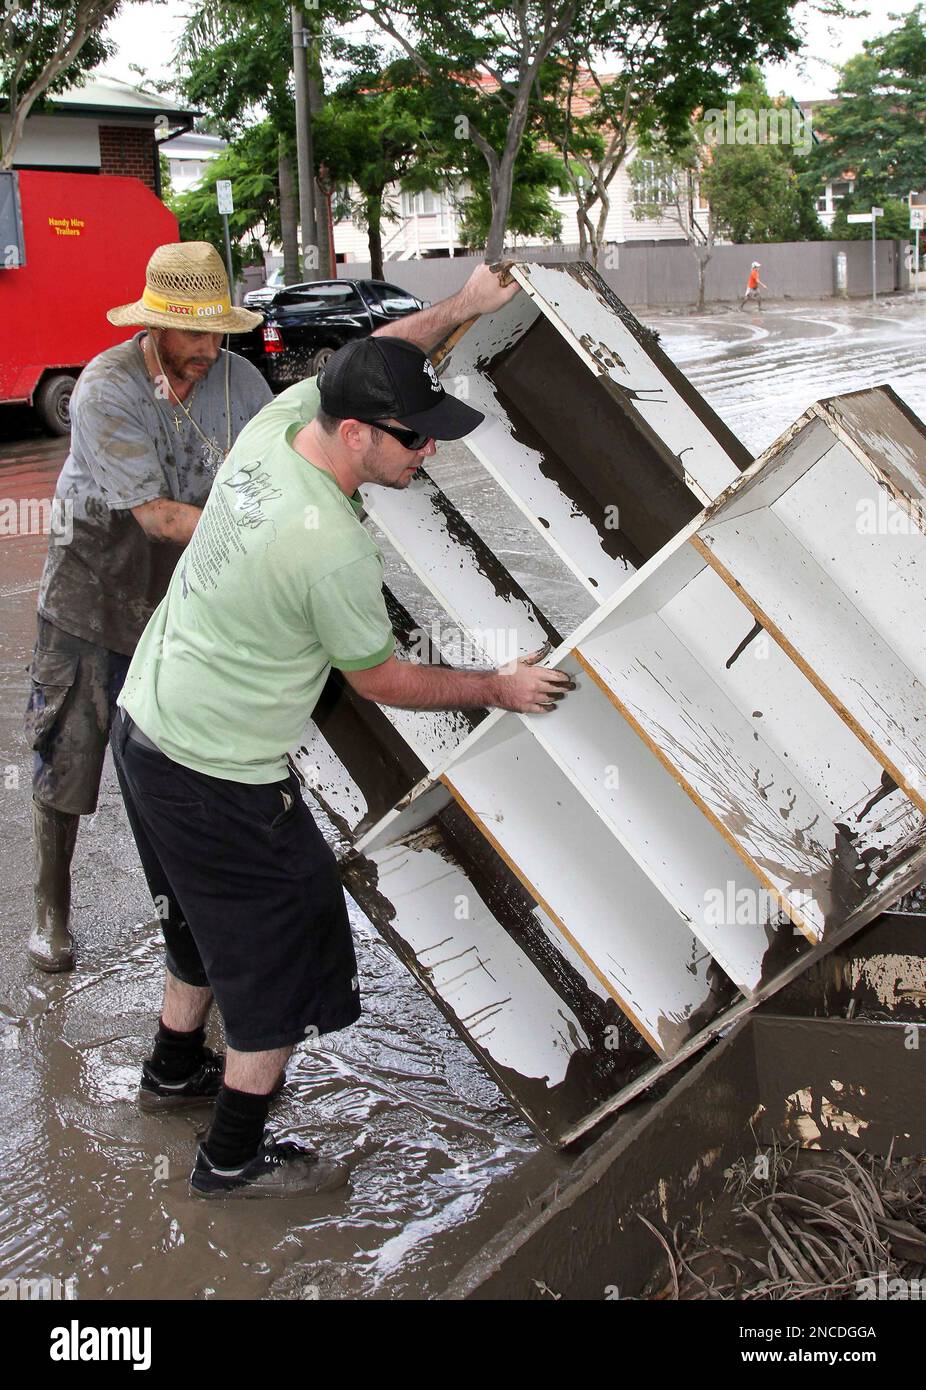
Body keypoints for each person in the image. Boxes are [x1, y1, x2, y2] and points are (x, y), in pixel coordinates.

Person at [113, 266, 575, 1199]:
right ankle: (231, 1157)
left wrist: (459, 309)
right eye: (415, 440)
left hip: (147, 726)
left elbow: (376, 357)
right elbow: (381, 679)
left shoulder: (276, 429)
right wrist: (500, 686)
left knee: (202, 917)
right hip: (218, 774)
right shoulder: (328, 544)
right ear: (359, 434)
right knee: (285, 949)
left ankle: (172, 1072)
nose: (428, 455)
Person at [24, 242, 271, 974]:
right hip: (92, 587)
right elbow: (159, 518)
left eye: (215, 332)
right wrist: (275, 526)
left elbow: (289, 456)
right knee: (67, 750)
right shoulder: (106, 386)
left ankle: (196, 920)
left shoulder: (241, 382)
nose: (206, 348)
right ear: (157, 325)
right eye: (191, 333)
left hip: (185, 599)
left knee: (188, 761)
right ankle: (50, 910)